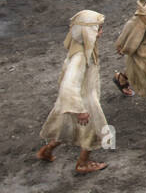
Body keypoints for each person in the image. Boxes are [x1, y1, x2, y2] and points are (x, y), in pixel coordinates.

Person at [37, 10, 110, 175]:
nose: (101, 33)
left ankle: (47, 151)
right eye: (97, 29)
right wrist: (80, 110)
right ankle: (83, 163)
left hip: (75, 100)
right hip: (83, 102)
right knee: (92, 132)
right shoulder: (80, 57)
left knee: (66, 128)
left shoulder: (80, 48)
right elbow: (68, 85)